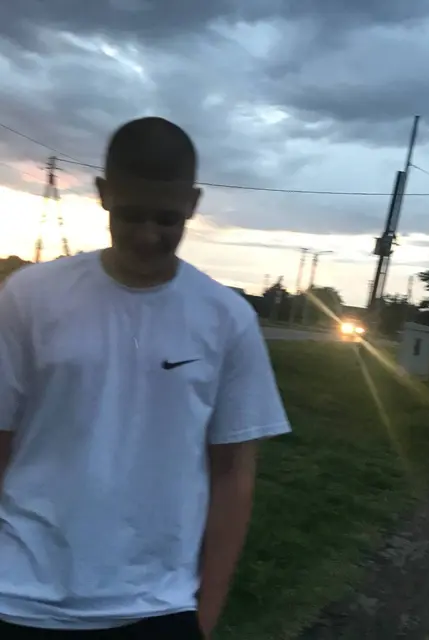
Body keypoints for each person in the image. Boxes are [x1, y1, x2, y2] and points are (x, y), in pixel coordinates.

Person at [0, 117, 291, 639]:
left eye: (167, 218)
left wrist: (204, 618)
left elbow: (233, 474)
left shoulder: (227, 319)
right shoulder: (30, 297)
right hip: (20, 598)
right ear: (104, 194)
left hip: (158, 607)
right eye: (132, 215)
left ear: (193, 204)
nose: (148, 235)